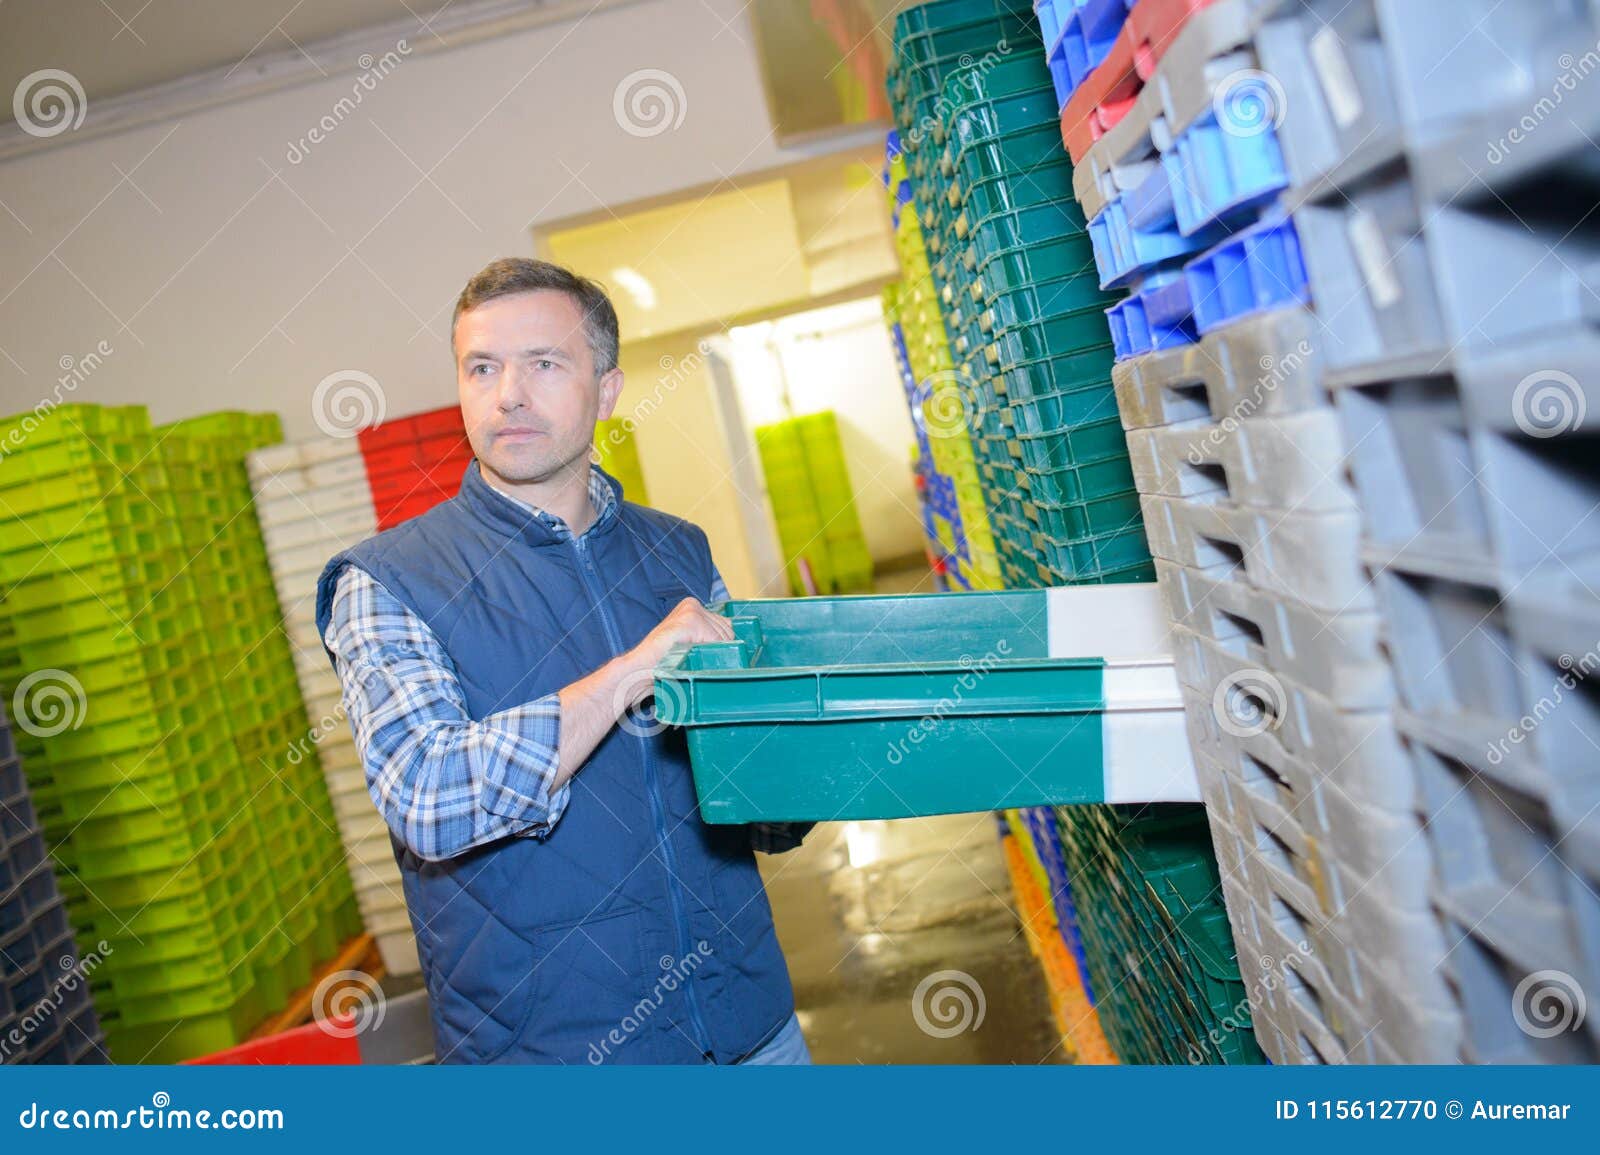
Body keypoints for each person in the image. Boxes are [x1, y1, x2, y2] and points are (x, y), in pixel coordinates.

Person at [313, 258, 811, 1064]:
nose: (509, 392)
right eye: (482, 367)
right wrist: (629, 674)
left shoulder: (678, 551)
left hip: (751, 1028)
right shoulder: (388, 581)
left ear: (606, 392)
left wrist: (811, 746)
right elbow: (429, 798)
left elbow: (752, 789)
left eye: (543, 363)